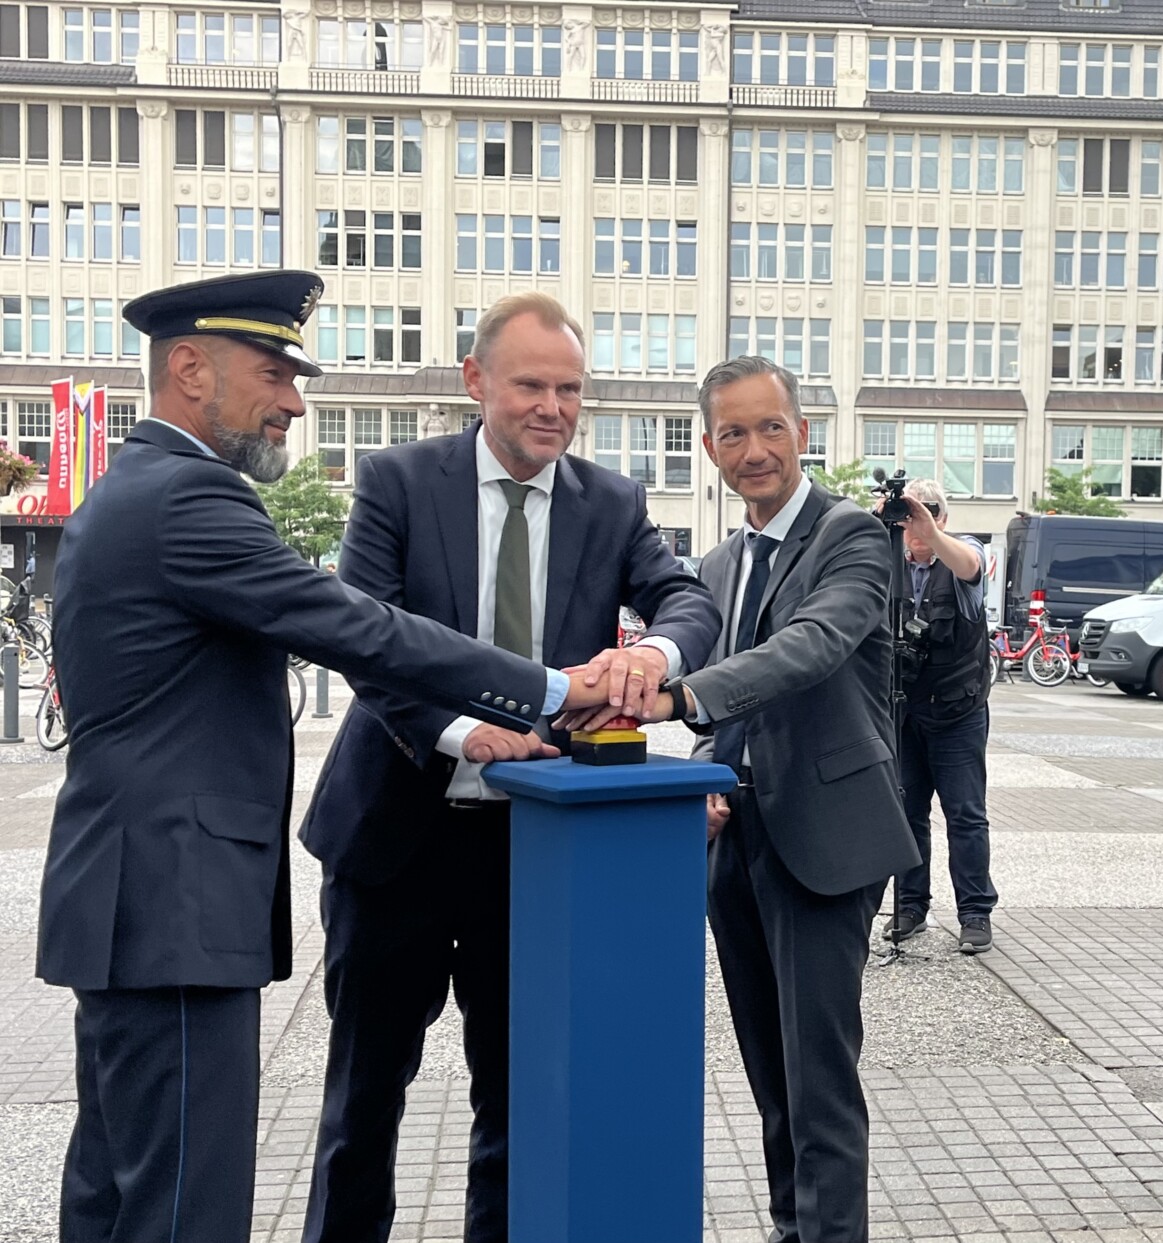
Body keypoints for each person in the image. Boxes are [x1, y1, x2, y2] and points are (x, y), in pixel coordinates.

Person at [35, 271, 610, 1243]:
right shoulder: (190, 500)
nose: (295, 402)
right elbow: (361, 627)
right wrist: (554, 688)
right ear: (188, 368)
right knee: (182, 1209)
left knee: (115, 1191)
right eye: (274, 374)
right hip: (174, 906)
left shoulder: (133, 487)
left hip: (134, 901)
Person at [299, 292, 720, 1243]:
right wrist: (458, 728)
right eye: (531, 384)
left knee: (521, 1096)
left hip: (532, 848)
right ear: (476, 380)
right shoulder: (399, 480)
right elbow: (363, 639)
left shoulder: (611, 502)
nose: (553, 408)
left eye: (571, 390)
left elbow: (685, 598)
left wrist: (654, 656)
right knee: (363, 1101)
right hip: (394, 835)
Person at [642, 356, 918, 1243]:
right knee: (768, 1065)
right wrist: (708, 764)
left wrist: (685, 697)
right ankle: (792, 1226)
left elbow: (810, 646)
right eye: (733, 433)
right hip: (738, 835)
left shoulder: (853, 537)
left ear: (804, 432)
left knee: (819, 1073)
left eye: (770, 428)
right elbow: (734, 700)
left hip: (827, 832)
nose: (754, 449)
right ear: (709, 446)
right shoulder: (718, 564)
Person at [885, 477, 998, 954]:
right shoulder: (888, 562)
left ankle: (975, 913)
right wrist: (877, 525)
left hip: (958, 712)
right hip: (905, 713)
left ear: (942, 518)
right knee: (907, 815)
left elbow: (970, 563)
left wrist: (931, 532)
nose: (914, 525)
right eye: (907, 516)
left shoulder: (961, 553)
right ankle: (910, 907)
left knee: (965, 817)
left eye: (926, 513)